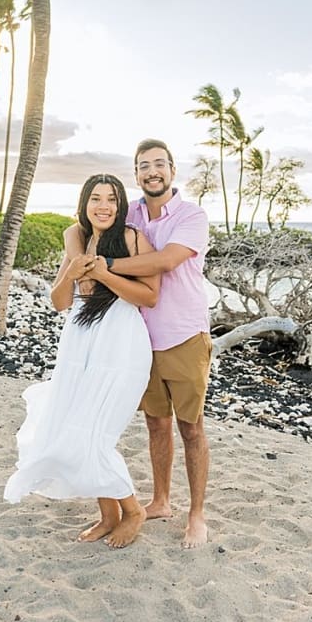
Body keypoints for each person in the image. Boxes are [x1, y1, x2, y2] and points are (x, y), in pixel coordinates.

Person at [4, 174, 160, 549]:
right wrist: (71, 274)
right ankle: (108, 515)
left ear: (121, 204)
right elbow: (60, 301)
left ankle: (133, 510)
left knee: (96, 432)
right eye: (95, 198)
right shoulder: (78, 237)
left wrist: (107, 274)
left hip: (120, 342)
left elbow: (149, 296)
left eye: (110, 199)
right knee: (75, 427)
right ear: (84, 203)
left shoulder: (132, 238)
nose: (103, 206)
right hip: (79, 342)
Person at [76, 138, 212, 549]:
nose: (151, 171)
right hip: (137, 338)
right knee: (155, 423)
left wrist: (104, 266)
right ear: (136, 174)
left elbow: (166, 261)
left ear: (172, 169)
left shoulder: (192, 215)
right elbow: (85, 227)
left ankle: (196, 515)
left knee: (191, 428)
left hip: (184, 334)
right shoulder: (130, 212)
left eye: (159, 164)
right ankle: (161, 501)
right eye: (143, 166)